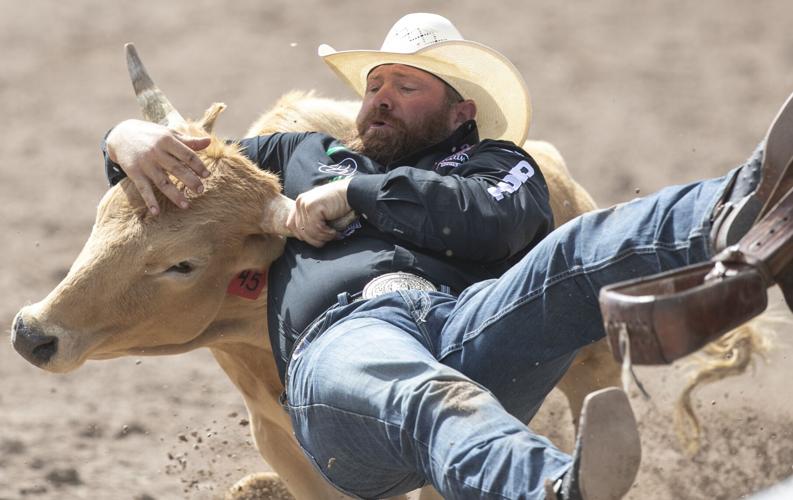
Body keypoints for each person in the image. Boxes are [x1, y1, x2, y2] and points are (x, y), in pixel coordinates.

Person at [101, 13, 793, 500]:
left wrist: (357, 194)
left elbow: (488, 221)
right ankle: (547, 487)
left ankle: (748, 203)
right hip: (341, 346)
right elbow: (183, 183)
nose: (380, 101)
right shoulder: (298, 154)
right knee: (423, 392)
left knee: (577, 247)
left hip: (464, 328)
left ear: (461, 112)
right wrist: (122, 140)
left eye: (407, 89)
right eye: (375, 86)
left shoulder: (499, 165)